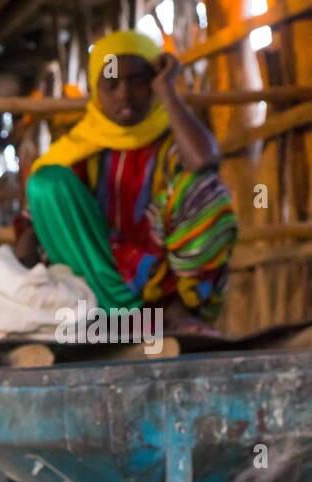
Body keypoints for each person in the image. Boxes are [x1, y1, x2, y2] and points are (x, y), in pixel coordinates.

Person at [20, 30, 238, 333]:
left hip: (164, 285)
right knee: (45, 183)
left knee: (206, 190)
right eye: (111, 84)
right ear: (96, 92)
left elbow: (205, 161)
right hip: (97, 278)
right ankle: (117, 313)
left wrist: (167, 90)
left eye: (137, 81)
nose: (124, 93)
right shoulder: (78, 150)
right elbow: (35, 228)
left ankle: (173, 311)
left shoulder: (173, 143)